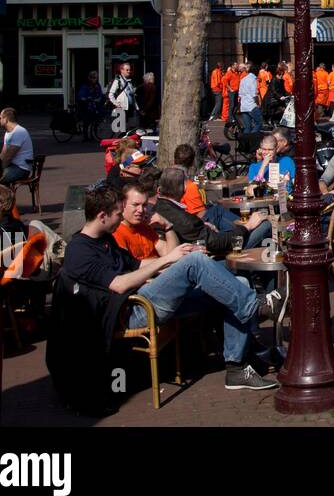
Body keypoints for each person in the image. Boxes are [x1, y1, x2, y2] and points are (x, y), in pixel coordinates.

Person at [61, 184, 278, 391]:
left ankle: (236, 368)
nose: (121, 218)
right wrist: (169, 262)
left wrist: (175, 260)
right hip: (132, 310)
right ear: (102, 216)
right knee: (195, 262)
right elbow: (118, 285)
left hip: (145, 296)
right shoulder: (80, 250)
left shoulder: (104, 239)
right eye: (119, 213)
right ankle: (255, 307)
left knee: (235, 283)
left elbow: (137, 264)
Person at [0, 108, 35, 185]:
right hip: (13, 165)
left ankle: (2, 196)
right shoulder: (8, 133)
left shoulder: (19, 132)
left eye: (0, 118)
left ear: (6, 120)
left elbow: (8, 157)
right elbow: (3, 153)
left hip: (21, 168)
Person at [106, 62, 139, 133]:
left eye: (129, 70)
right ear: (122, 70)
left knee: (126, 129)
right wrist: (116, 104)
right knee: (120, 130)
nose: (129, 71)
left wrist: (136, 106)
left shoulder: (129, 81)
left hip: (128, 108)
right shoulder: (117, 81)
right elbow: (110, 94)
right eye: (127, 70)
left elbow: (132, 95)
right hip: (121, 109)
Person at [77, 71, 106, 141]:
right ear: (89, 78)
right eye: (93, 78)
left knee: (95, 119)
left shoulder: (97, 85)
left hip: (95, 105)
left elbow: (100, 93)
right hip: (87, 105)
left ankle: (93, 134)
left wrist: (100, 98)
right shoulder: (86, 85)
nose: (94, 79)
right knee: (87, 121)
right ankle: (85, 136)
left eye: (95, 78)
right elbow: (81, 95)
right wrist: (86, 98)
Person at [238, 63, 262, 134]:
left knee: (247, 127)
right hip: (252, 106)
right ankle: (252, 137)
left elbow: (240, 94)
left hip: (244, 106)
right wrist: (258, 104)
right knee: (259, 123)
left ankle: (245, 143)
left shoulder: (243, 79)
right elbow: (254, 94)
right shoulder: (253, 79)